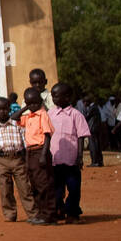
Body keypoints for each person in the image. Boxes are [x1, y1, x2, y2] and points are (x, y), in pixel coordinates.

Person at [0, 97, 37, 223]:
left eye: (4, 109)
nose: (2, 112)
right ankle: (10, 214)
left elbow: (26, 146)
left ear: (9, 109)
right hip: (2, 161)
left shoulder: (17, 126)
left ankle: (33, 214)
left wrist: (27, 162)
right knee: (5, 189)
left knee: (25, 188)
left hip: (18, 159)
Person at [47, 82, 89, 223]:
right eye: (53, 96)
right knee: (56, 188)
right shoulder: (50, 114)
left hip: (71, 160)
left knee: (74, 187)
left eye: (56, 96)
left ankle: (72, 213)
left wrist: (80, 156)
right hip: (55, 159)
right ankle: (59, 209)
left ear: (67, 97)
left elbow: (81, 136)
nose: (54, 99)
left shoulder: (76, 115)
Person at [19, 87, 55, 223]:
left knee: (44, 184)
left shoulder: (43, 115)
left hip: (40, 151)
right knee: (34, 183)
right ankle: (40, 213)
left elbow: (47, 136)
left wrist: (43, 155)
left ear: (40, 102)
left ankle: (49, 214)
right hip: (30, 152)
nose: (32, 106)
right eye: (29, 103)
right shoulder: (29, 116)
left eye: (35, 103)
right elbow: (14, 118)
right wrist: (26, 108)